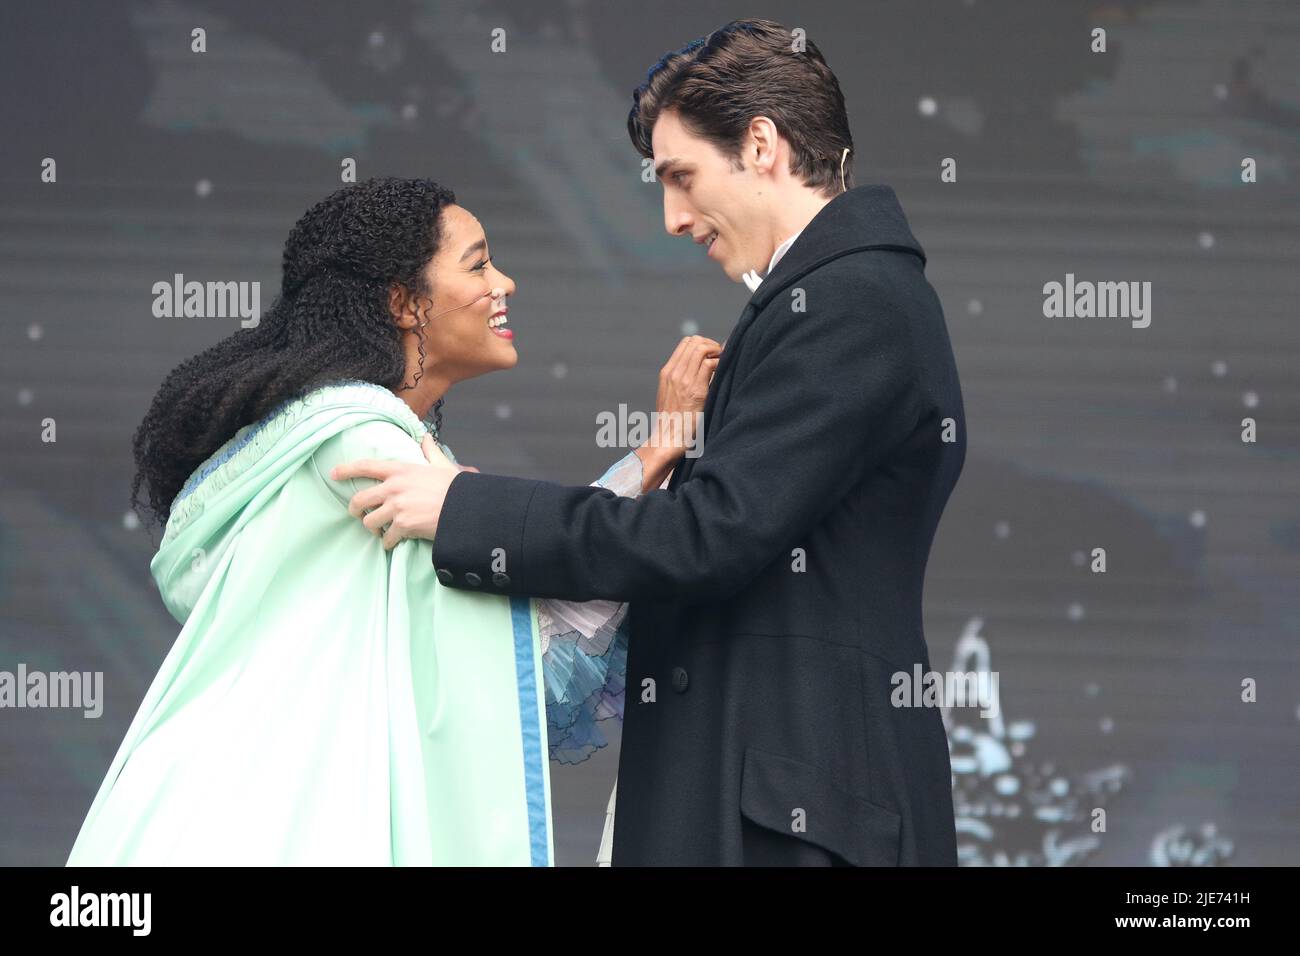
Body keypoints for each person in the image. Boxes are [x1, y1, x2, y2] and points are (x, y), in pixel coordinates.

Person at [332, 19, 968, 866]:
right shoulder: (826, 295)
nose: (671, 218)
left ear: (763, 144)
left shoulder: (852, 300)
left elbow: (714, 535)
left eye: (681, 177)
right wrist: (660, 453)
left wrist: (465, 507)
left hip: (799, 822)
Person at [66, 177, 716, 865]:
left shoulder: (338, 434)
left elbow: (516, 646)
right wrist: (658, 448)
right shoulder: (364, 447)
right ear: (405, 304)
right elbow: (527, 647)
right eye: (477, 264)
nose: (507, 282)